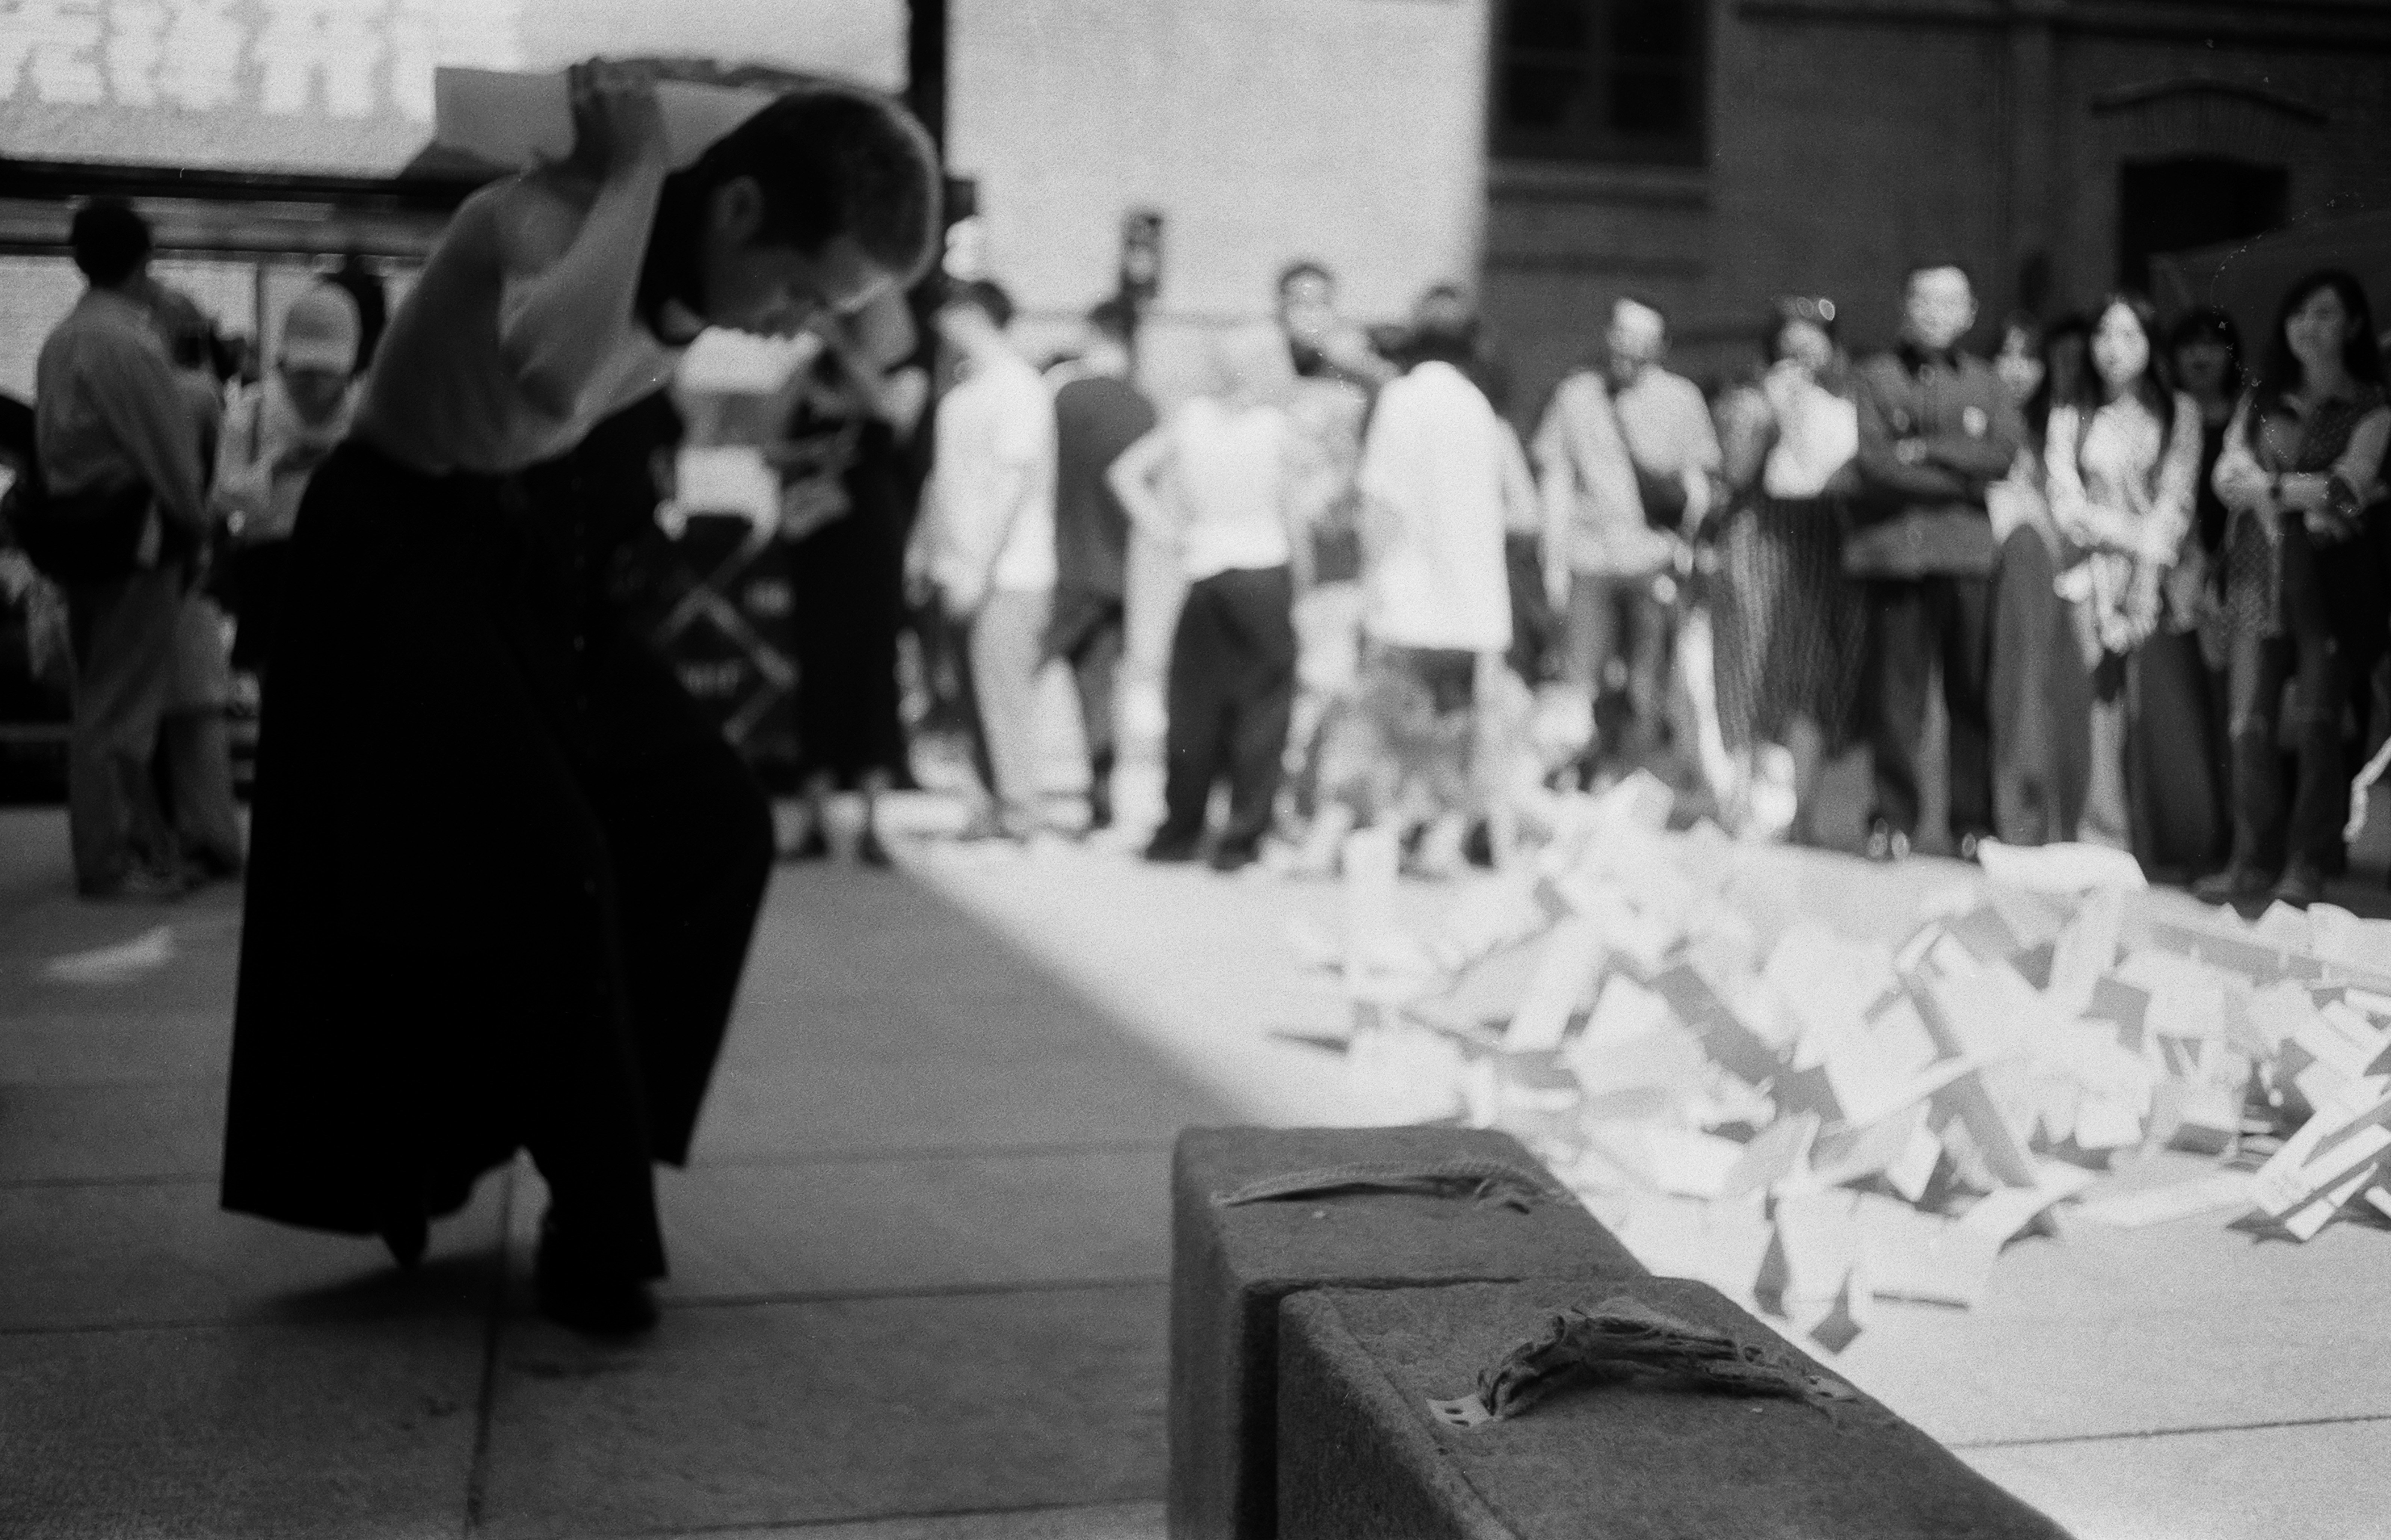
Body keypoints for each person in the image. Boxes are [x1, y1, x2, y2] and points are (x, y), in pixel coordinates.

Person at [222, 60, 940, 1335]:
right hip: (397, 556)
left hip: (517, 549)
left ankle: (586, 1134)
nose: (789, 326)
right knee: (553, 869)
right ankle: (595, 1226)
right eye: (792, 289)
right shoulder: (548, 219)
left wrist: (725, 185)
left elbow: (824, 329)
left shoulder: (682, 241)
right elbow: (556, 368)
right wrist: (638, 166)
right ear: (732, 216)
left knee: (712, 821)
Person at [31, 198, 210, 900]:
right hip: (135, 541)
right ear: (145, 261)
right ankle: (107, 863)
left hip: (78, 539)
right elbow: (172, 462)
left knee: (99, 700)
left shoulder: (61, 340)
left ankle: (136, 848)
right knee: (119, 710)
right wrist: (196, 532)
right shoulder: (131, 345)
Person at [2197, 270, 2390, 907]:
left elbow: (2351, 485)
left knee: (2317, 724)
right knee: (2246, 723)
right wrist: (2305, 493)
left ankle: (2306, 863)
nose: (2310, 325)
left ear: (2354, 326)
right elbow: (2227, 478)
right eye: (2300, 313)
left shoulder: (2371, 409)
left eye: (2327, 313)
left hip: (2329, 588)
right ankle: (2250, 858)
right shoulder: (2261, 401)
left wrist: (2272, 489)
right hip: (2255, 575)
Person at [1307, 308, 1520, 876]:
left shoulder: (1402, 400)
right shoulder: (1478, 407)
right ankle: (1440, 842)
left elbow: (1382, 499)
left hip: (1408, 596)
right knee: (1452, 731)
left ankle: (1330, 842)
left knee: (1371, 727)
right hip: (1471, 606)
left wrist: (1369, 579)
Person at [1109, 325, 1302, 873]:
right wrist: (1303, 590)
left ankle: (1179, 830)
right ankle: (1240, 839)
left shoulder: (1190, 419)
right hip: (1264, 569)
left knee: (1194, 708)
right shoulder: (1274, 427)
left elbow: (1124, 474)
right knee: (1262, 713)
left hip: (1202, 569)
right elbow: (1292, 516)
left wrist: (1167, 532)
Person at [1847, 262, 2023, 862]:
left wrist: (1921, 450)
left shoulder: (1988, 383)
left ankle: (1972, 823)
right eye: (1922, 301)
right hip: (1896, 554)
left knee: (1969, 693)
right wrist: (1958, 478)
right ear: (1903, 305)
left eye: (1949, 303)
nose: (1933, 314)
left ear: (1970, 313)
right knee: (1896, 695)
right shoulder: (1873, 376)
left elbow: (2001, 455)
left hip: (1967, 557)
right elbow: (1874, 463)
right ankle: (1891, 819)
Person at [2045, 292, 2217, 872]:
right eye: (2102, 335)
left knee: (2166, 710)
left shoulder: (2180, 412)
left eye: (2127, 336)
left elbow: (2176, 502)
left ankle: (2180, 846)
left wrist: (2147, 575)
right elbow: (2067, 507)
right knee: (2098, 710)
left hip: (2165, 578)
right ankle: (2101, 841)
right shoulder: (2070, 411)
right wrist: (2132, 538)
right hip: (2088, 575)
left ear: (2149, 345)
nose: (2112, 350)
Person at [767, 293, 928, 866]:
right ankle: (814, 815)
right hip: (818, 535)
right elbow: (767, 438)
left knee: (871, 667)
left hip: (869, 534)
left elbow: (886, 414)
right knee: (818, 666)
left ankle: (871, 817)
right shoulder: (806, 376)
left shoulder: (903, 378)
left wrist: (845, 350)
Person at [1532, 295, 1720, 777]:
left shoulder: (1682, 399)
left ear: (1661, 347)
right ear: (1608, 335)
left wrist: (1688, 551)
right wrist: (1552, 560)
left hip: (1652, 560)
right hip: (1588, 559)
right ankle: (1576, 773)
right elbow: (1556, 480)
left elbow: (1700, 484)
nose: (1630, 348)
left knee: (1645, 682)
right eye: (1623, 334)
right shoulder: (1576, 394)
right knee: (1579, 678)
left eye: (1644, 339)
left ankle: (1626, 775)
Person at [1709, 297, 1864, 843]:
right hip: (1760, 540)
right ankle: (1745, 805)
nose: (1801, 349)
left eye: (1813, 338)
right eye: (1789, 339)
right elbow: (1734, 473)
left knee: (1814, 676)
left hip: (1822, 544)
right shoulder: (1748, 397)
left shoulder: (1853, 400)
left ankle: (1804, 813)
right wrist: (1767, 415)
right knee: (1752, 668)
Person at [910, 278, 1058, 843]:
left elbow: (1010, 486)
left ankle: (1019, 815)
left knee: (1003, 694)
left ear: (972, 314)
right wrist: (926, 550)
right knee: (964, 694)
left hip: (1008, 572)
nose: (939, 327)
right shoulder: (964, 390)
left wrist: (980, 568)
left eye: (947, 314)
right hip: (960, 567)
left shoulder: (1018, 388)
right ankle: (985, 808)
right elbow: (942, 483)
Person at [1044, 298, 1156, 833]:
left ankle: (1000, 791)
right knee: (1099, 686)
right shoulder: (1143, 407)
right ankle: (1101, 792)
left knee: (1011, 675)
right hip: (1116, 569)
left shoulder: (1064, 397)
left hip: (1062, 562)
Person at [213, 283, 361, 676]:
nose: (315, 383)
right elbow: (222, 496)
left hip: (348, 564)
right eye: (305, 371)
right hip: (270, 564)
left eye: (327, 372)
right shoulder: (253, 410)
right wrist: (277, 468)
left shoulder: (365, 414)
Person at [1984, 314, 2091, 847]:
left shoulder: (2059, 425)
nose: (2017, 369)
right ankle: (2003, 812)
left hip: (2042, 568)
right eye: (2007, 355)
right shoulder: (1977, 417)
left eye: (2029, 357)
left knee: (2036, 689)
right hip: (1991, 565)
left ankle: (2036, 815)